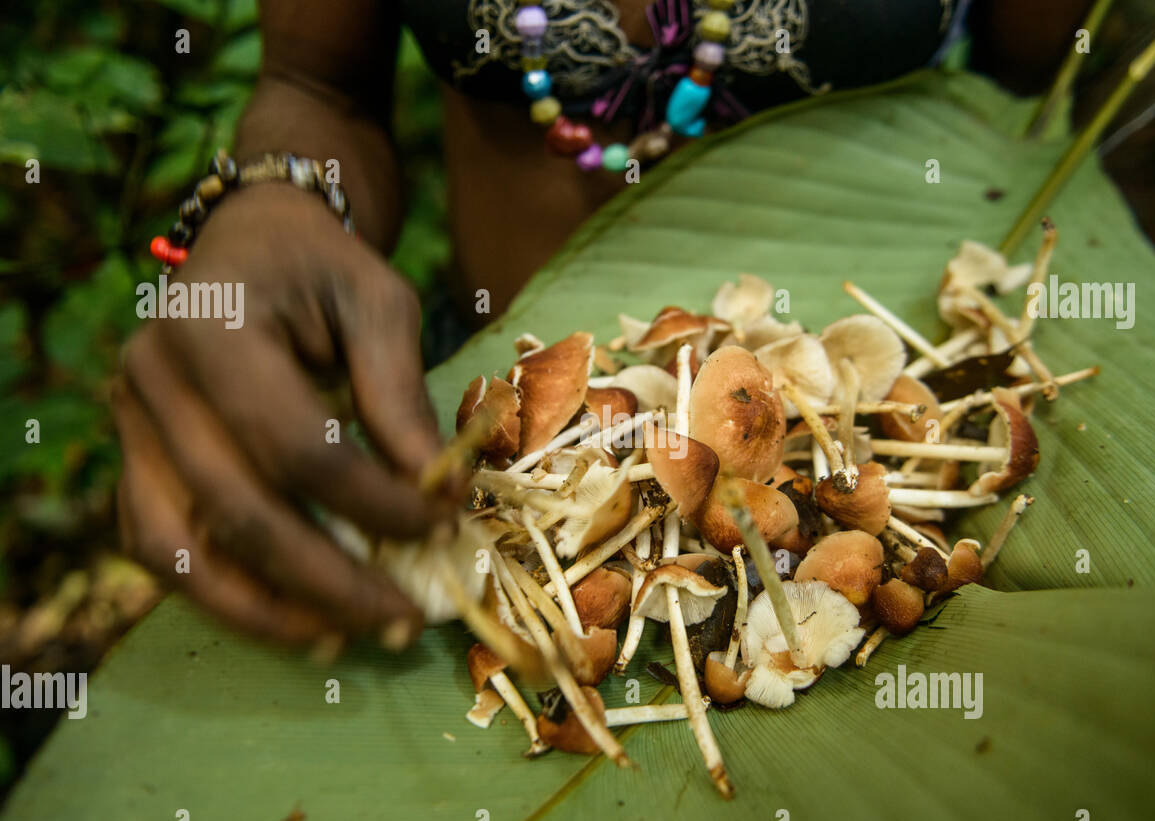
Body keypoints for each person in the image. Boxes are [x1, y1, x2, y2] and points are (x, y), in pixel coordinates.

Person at [113, 0, 1087, 644]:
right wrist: (276, 200)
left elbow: (1023, 111)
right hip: (513, 468)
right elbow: (316, 86)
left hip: (884, 457)